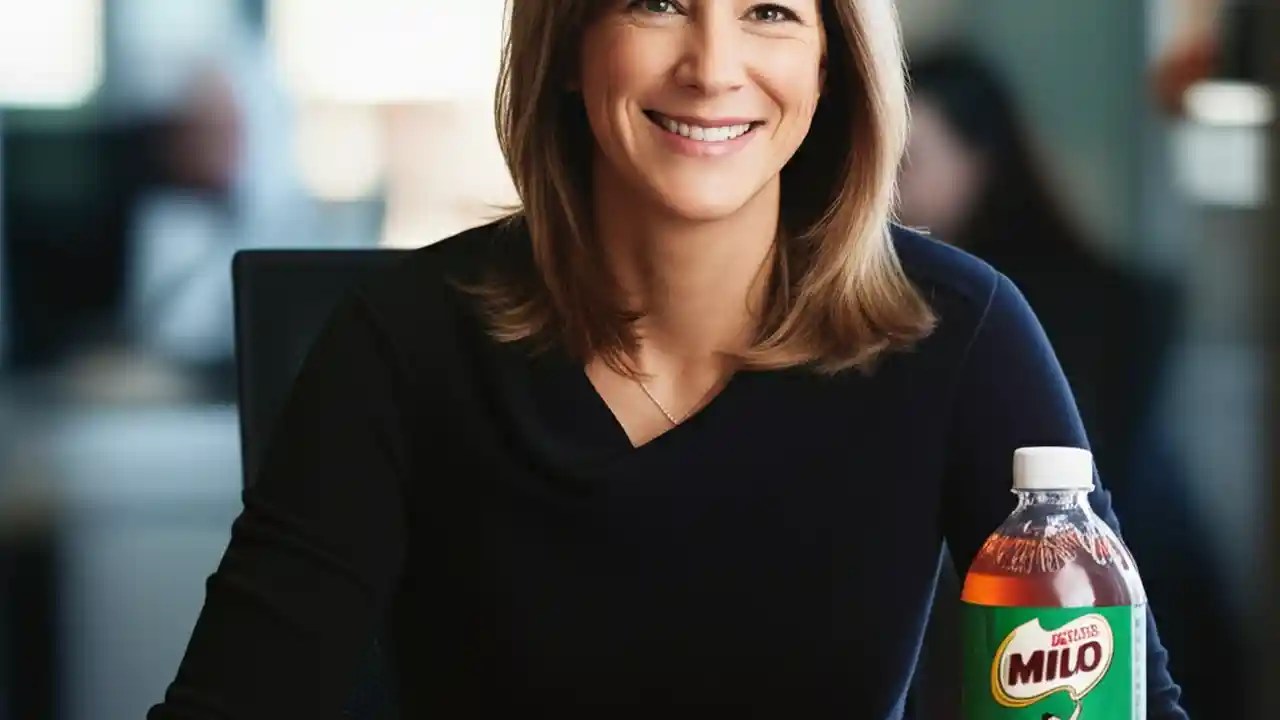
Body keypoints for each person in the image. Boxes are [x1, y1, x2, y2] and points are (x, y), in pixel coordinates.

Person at [149, 2, 1187, 717]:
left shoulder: (956, 331)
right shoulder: (403, 338)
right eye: (653, 3)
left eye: (769, 13)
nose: (710, 65)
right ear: (564, 44)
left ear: (828, 61)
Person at [898, 45, 1243, 719]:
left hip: (1114, 630)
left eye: (908, 162)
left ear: (981, 158)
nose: (889, 189)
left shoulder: (991, 316)